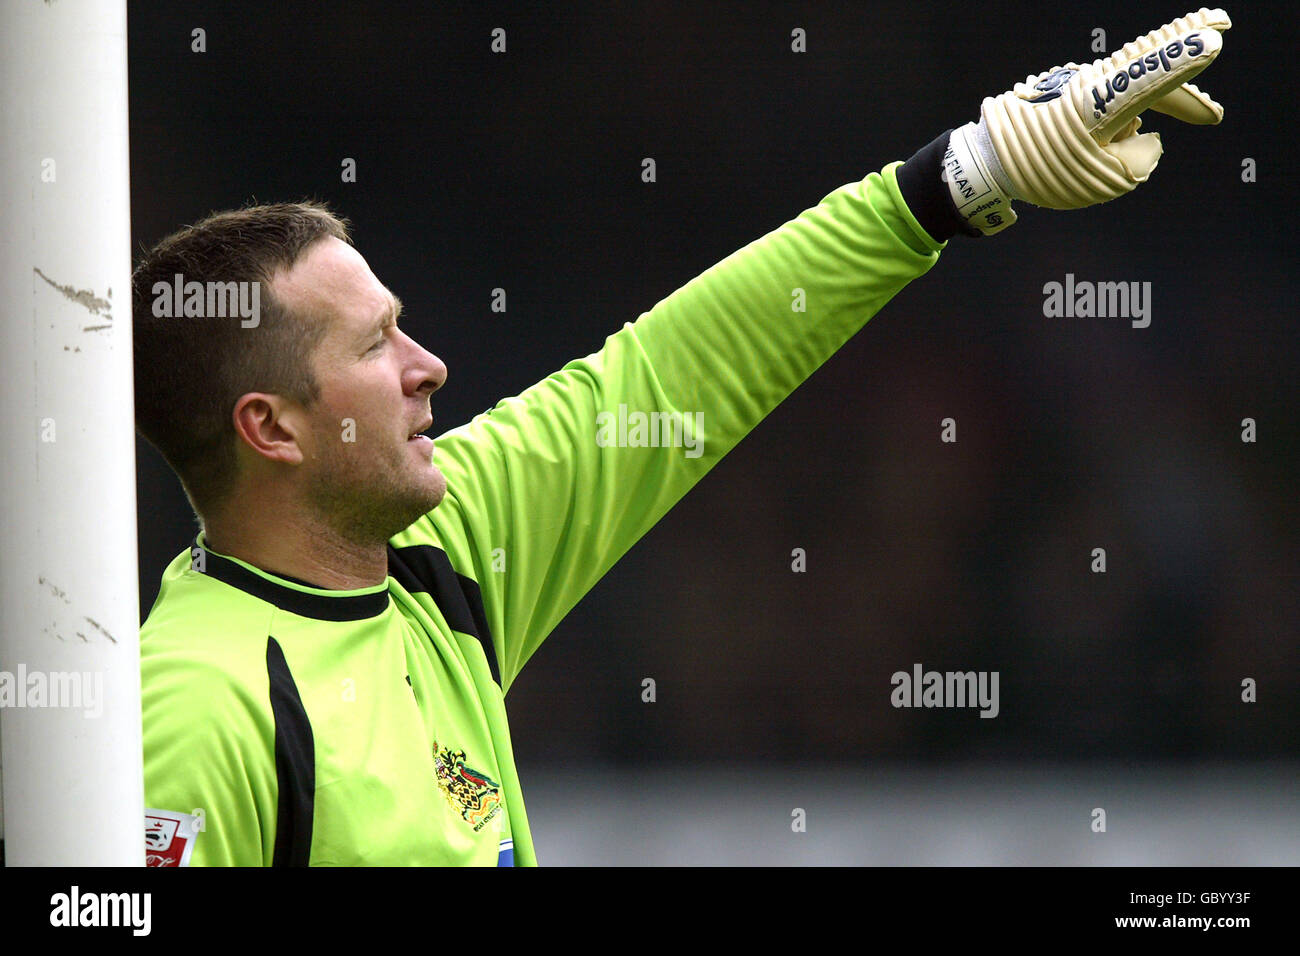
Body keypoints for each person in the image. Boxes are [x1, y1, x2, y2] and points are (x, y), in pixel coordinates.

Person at [136, 10, 1230, 865]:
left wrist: (965, 173)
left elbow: (677, 367)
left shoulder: (442, 550)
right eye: (377, 346)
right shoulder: (193, 708)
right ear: (269, 426)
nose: (430, 366)